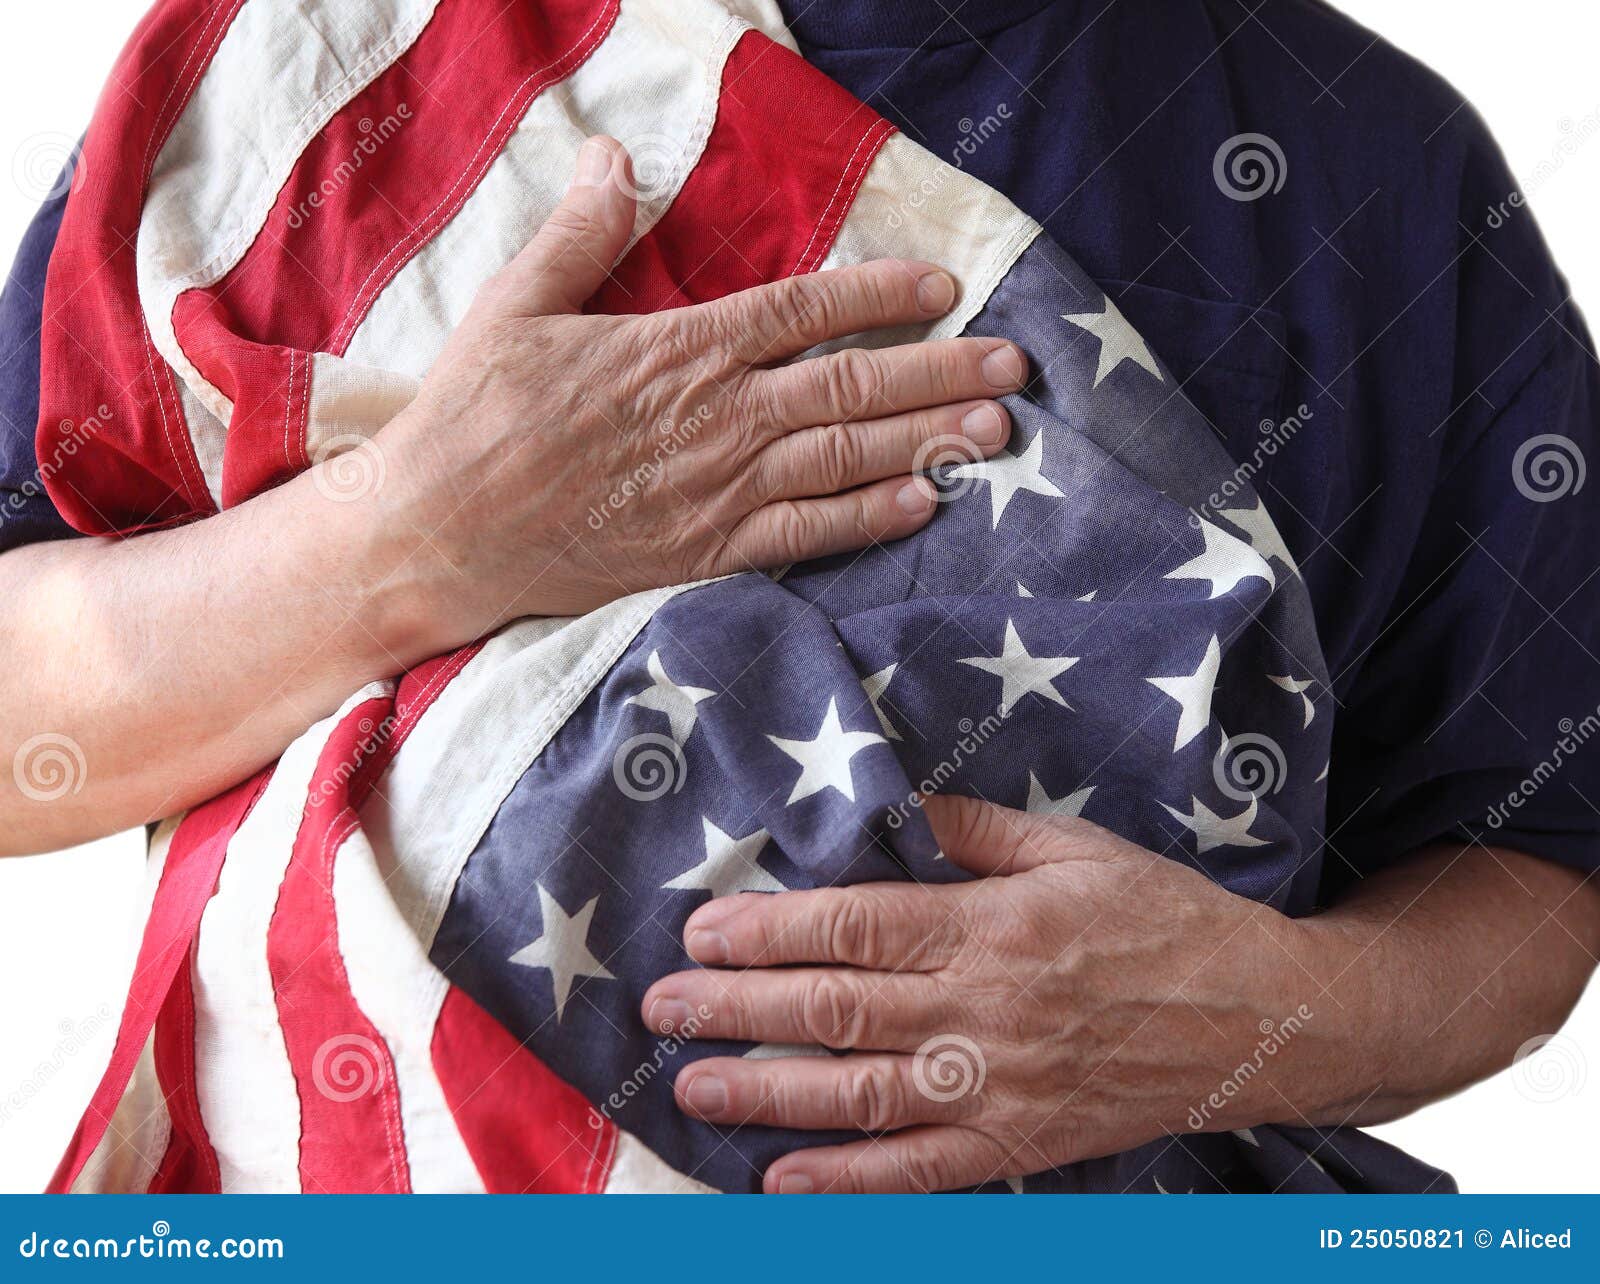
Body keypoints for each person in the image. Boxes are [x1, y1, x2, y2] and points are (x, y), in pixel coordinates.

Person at [4, 0, 1598, 1194]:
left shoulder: (1372, 174)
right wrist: (404, 537)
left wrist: (1273, 1017)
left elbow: (1538, 853)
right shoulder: (324, 63)